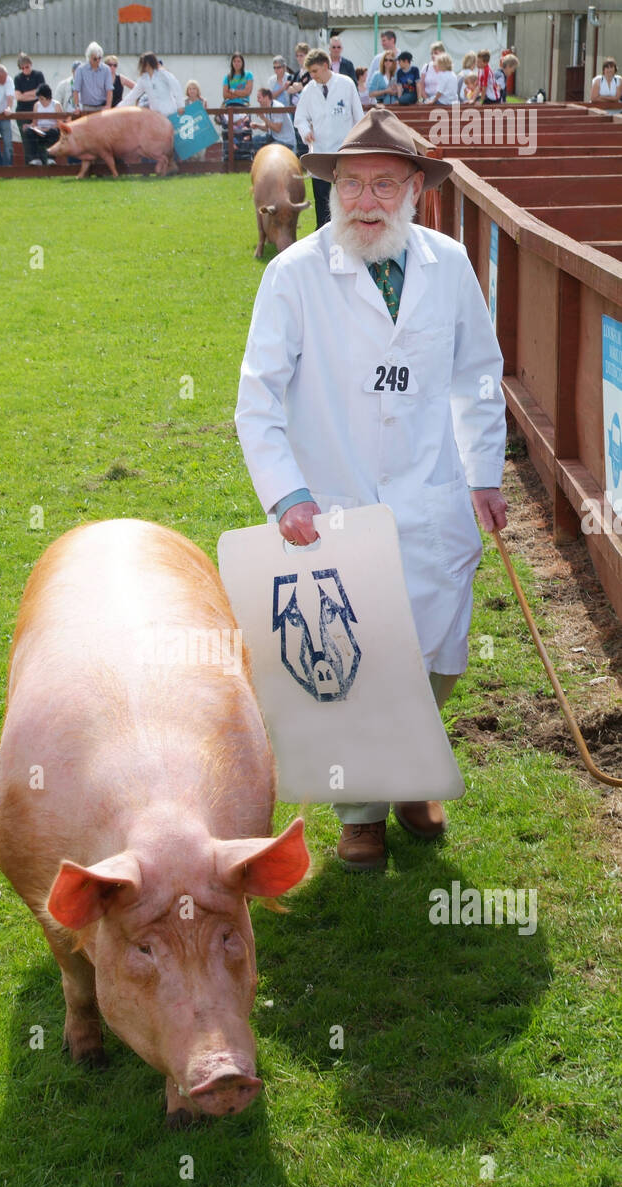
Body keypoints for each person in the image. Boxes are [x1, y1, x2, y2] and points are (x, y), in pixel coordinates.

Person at [235, 106, 508, 871]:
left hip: (432, 496)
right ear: (328, 190)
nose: (363, 200)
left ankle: (411, 770)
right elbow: (257, 397)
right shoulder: (294, 275)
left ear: (415, 189)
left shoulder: (448, 264)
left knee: (436, 653)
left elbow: (475, 377)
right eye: (349, 184)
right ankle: (361, 812)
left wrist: (482, 475)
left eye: (383, 184)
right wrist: (288, 496)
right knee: (350, 656)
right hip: (334, 503)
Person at [294, 47, 363, 229]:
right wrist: (305, 131)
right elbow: (300, 118)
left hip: (344, 153)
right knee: (322, 202)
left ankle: (350, 235)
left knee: (345, 199)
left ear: (326, 66)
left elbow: (359, 118)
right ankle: (323, 240)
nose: (313, 76)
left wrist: (357, 148)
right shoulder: (309, 90)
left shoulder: (346, 84)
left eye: (315, 71)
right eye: (310, 72)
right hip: (320, 153)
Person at [20, 83, 62, 164]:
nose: (40, 101)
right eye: (39, 98)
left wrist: (48, 129)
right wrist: (29, 126)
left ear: (48, 97)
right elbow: (34, 122)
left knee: (54, 132)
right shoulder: (37, 105)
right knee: (28, 132)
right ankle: (34, 158)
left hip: (51, 130)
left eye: (42, 99)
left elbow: (59, 123)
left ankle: (51, 158)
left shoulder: (56, 105)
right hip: (39, 130)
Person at [250, 88, 296, 152]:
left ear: (266, 97)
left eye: (259, 98)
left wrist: (263, 118)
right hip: (274, 138)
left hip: (285, 142)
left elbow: (277, 129)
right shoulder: (267, 107)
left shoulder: (277, 107)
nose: (257, 100)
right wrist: (257, 125)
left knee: (269, 151)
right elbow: (268, 128)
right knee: (254, 140)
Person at [74, 42, 113, 113]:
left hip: (102, 107)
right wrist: (77, 106)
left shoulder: (106, 69)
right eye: (95, 59)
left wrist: (108, 105)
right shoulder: (81, 69)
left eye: (99, 58)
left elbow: (109, 89)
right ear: (89, 58)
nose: (98, 61)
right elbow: (76, 90)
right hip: (87, 107)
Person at [14, 53, 45, 123]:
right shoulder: (18, 78)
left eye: (27, 67)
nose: (25, 69)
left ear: (30, 64)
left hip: (37, 110)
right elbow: (18, 97)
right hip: (22, 111)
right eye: (22, 68)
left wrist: (24, 94)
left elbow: (42, 92)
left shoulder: (38, 75)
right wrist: (34, 94)